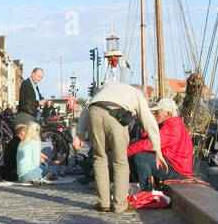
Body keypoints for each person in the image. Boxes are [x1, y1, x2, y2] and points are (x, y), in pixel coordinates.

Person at [73, 82, 166, 213]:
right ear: (144, 96)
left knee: (99, 158)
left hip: (94, 111)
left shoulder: (108, 87)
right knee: (120, 161)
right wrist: (157, 149)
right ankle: (120, 205)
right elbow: (148, 121)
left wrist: (80, 134)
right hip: (115, 114)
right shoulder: (137, 94)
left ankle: (103, 203)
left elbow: (86, 108)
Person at [127, 96, 193, 189]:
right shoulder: (169, 124)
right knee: (135, 155)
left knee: (140, 157)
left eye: (158, 112)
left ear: (168, 113)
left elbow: (149, 144)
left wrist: (124, 152)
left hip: (177, 171)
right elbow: (148, 139)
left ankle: (147, 191)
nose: (155, 114)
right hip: (171, 164)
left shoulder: (174, 127)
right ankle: (140, 186)